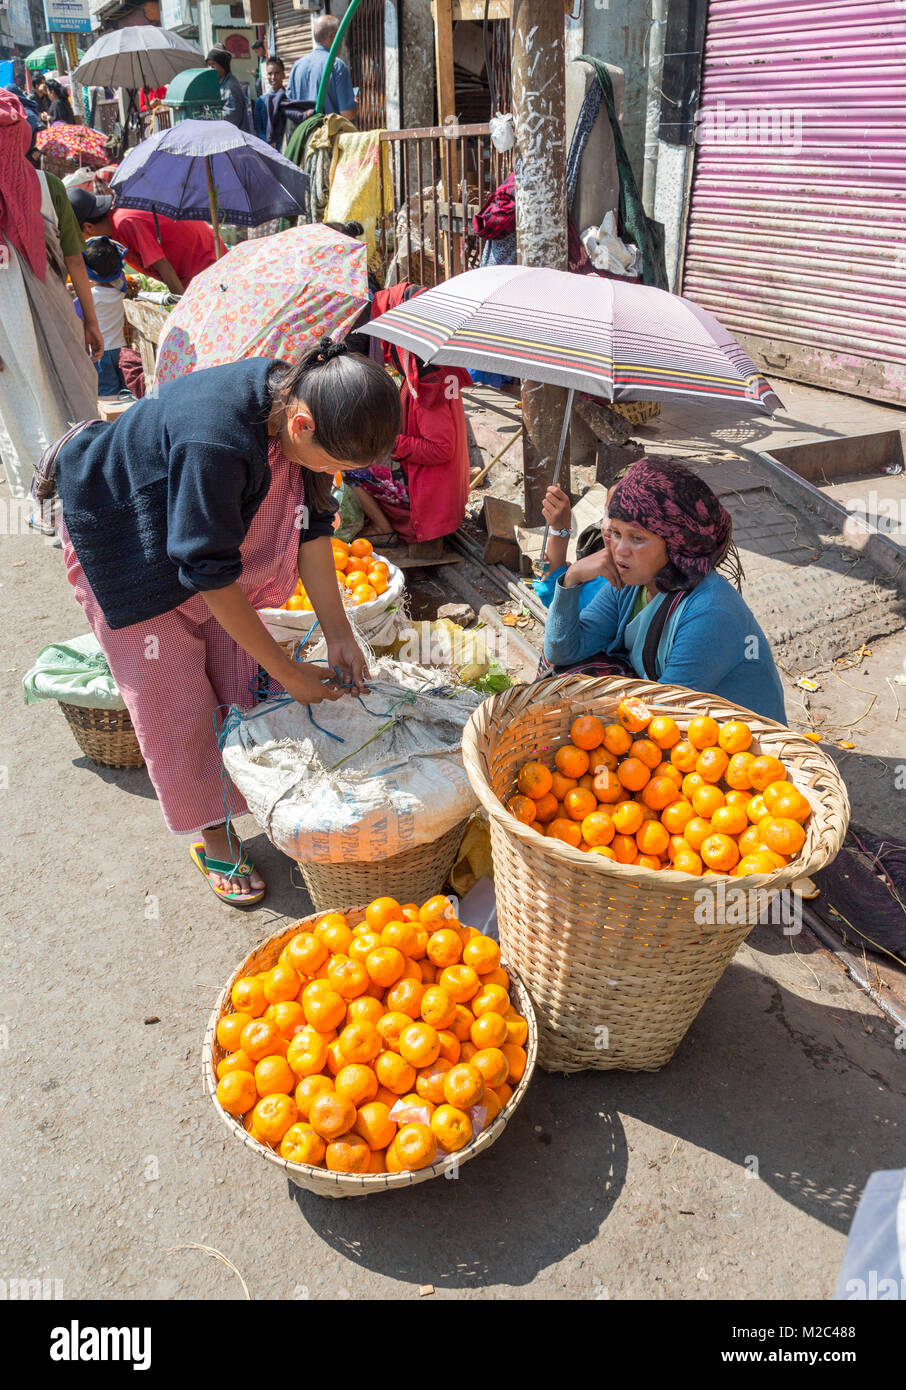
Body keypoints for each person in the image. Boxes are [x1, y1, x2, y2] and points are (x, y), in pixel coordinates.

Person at [44, 342, 401, 906]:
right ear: (302, 424)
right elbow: (208, 573)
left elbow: (311, 529)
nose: (336, 477)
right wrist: (286, 669)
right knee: (178, 703)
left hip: (200, 549)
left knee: (237, 683)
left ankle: (251, 800)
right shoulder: (217, 438)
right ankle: (215, 834)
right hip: (130, 545)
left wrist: (339, 633)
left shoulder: (306, 406)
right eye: (334, 465)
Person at [543, 457, 787, 721]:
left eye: (637, 538)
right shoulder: (630, 581)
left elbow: (659, 715)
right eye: (616, 532)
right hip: (672, 712)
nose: (619, 550)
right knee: (566, 678)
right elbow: (562, 650)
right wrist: (572, 577)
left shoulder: (710, 612)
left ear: (675, 544)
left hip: (731, 741)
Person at [0, 91, 101, 514]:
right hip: (60, 315)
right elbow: (75, 260)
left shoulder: (50, 186)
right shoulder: (49, 186)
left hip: (8, 331)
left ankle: (42, 503)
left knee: (23, 404)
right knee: (72, 395)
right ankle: (85, 493)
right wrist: (90, 321)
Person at [343, 284, 472, 560]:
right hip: (442, 489)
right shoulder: (434, 365)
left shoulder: (427, 380)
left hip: (428, 498)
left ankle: (382, 526)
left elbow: (439, 448)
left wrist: (389, 442)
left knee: (349, 469)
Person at [68, 186, 224, 295]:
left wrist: (182, 309)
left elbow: (163, 265)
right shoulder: (114, 228)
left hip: (210, 272)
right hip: (195, 279)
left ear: (88, 227)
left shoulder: (125, 221)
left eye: (78, 235)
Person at [78, 236, 130, 398]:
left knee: (107, 395)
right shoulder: (120, 291)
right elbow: (119, 276)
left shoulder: (89, 297)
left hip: (100, 353)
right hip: (121, 349)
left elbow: (74, 315)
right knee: (126, 392)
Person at [288, 13, 356, 121]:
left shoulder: (297, 66)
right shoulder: (337, 65)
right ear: (333, 36)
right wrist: (356, 104)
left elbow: (290, 108)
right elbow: (347, 114)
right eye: (341, 37)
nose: (342, 42)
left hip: (305, 135)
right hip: (330, 136)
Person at [255, 55, 312, 149]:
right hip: (269, 151)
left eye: (276, 73)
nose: (273, 77)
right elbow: (258, 129)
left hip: (289, 148)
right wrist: (268, 142)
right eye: (270, 74)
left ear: (283, 75)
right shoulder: (260, 102)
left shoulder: (290, 100)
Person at [206, 45, 252, 131]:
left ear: (223, 66)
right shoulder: (220, 82)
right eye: (208, 65)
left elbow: (231, 117)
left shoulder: (230, 87)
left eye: (213, 65)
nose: (210, 68)